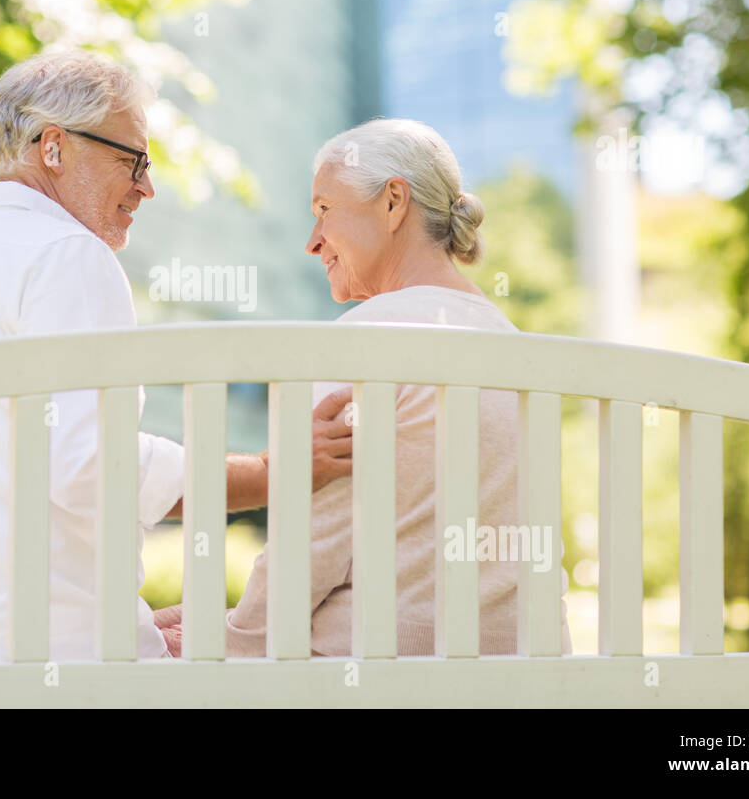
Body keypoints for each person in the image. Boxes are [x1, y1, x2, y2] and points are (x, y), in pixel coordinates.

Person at [0, 49, 353, 663]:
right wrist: (274, 470)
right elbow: (90, 464)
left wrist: (136, 625)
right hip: (43, 662)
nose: (147, 187)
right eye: (134, 159)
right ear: (53, 147)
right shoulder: (68, 254)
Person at [157, 118, 572, 657]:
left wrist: (233, 637)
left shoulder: (368, 340)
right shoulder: (510, 342)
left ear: (394, 202)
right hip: (526, 662)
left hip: (389, 665)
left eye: (324, 211)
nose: (312, 242)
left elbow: (315, 545)